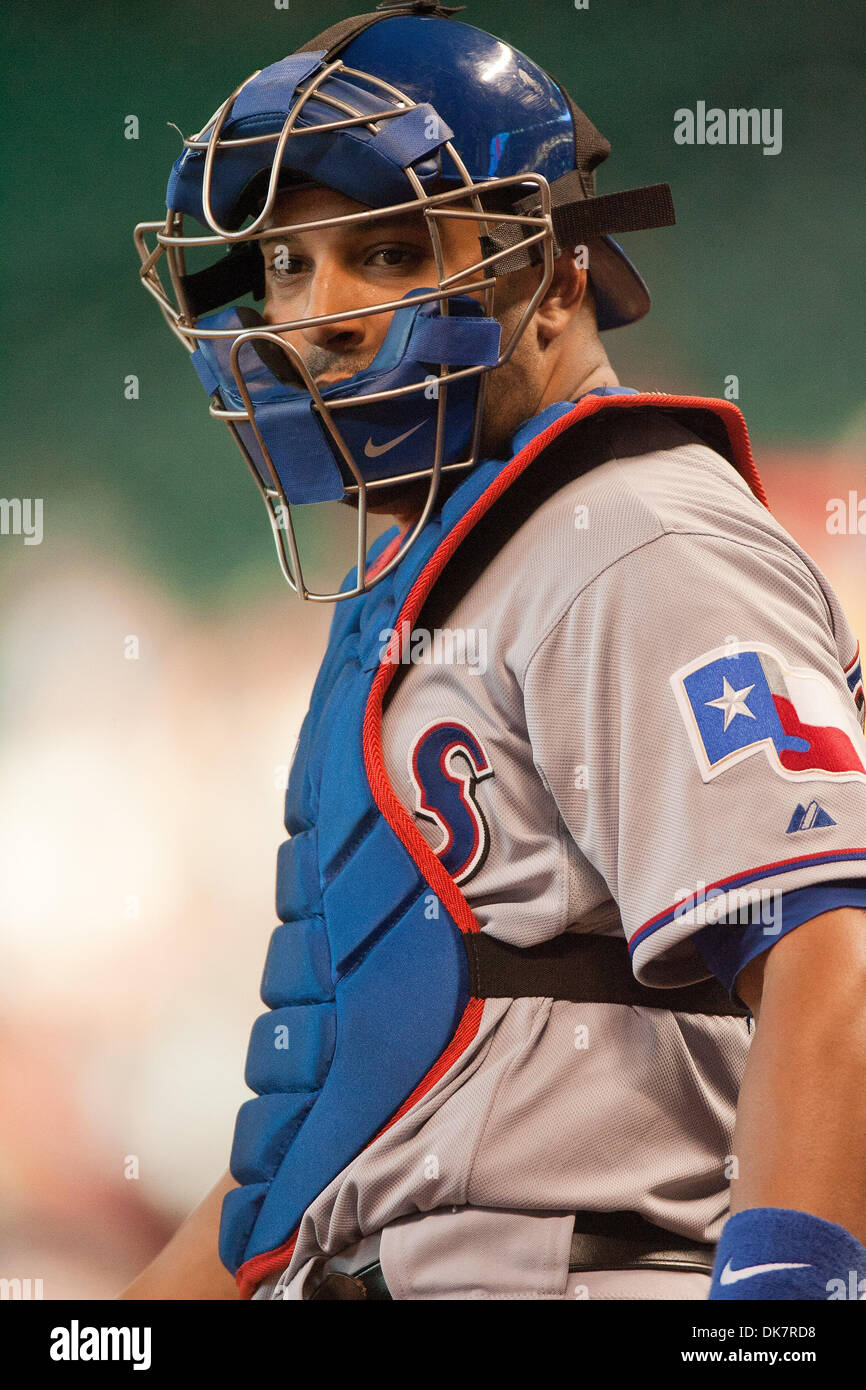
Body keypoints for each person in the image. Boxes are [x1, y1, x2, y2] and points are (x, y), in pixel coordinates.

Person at [124, 2, 866, 1302]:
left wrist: (784, 1315)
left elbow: (831, 956)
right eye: (285, 267)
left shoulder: (634, 533)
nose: (319, 312)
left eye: (390, 250)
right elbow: (332, 1121)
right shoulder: (441, 575)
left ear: (558, 270)